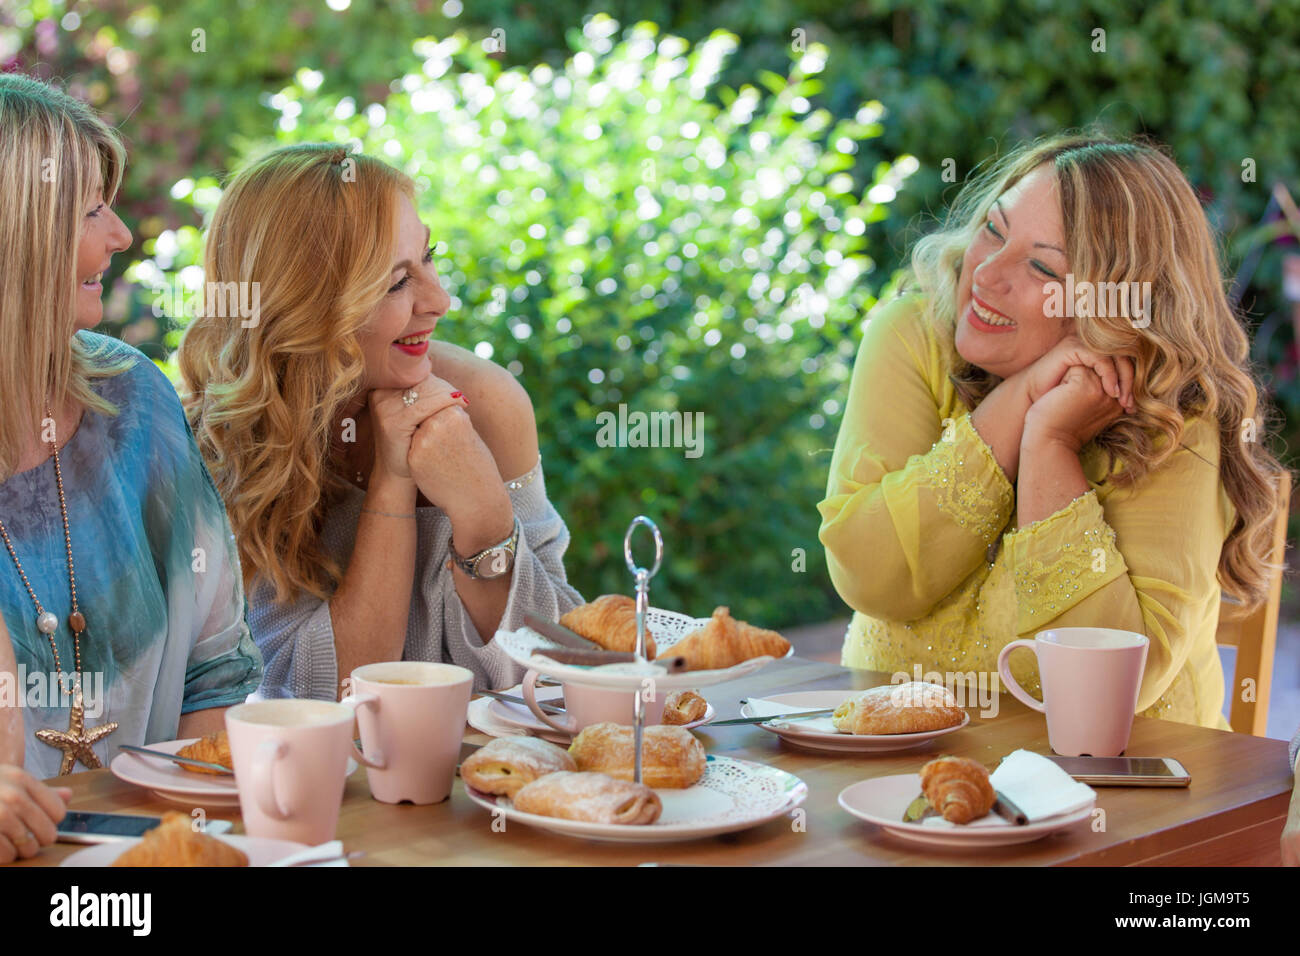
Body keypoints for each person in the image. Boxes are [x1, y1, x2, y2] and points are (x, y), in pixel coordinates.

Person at [819, 131, 1287, 729]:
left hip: (1122, 797)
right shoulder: (912, 335)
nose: (986, 273)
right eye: (993, 228)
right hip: (890, 771)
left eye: (1042, 266)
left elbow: (1108, 688)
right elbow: (869, 576)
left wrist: (1049, 443)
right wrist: (1019, 399)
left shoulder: (1172, 416)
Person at [178, 144, 583, 701]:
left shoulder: (486, 403)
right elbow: (324, 696)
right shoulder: (230, 437)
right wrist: (393, 482)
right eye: (396, 283)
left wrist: (483, 514)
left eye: (429, 256)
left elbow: (562, 668)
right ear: (305, 306)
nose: (439, 300)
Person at [0, 75, 262, 862]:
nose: (118, 235)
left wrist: (183, 845)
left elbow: (216, 676)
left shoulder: (132, 400)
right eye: (88, 210)